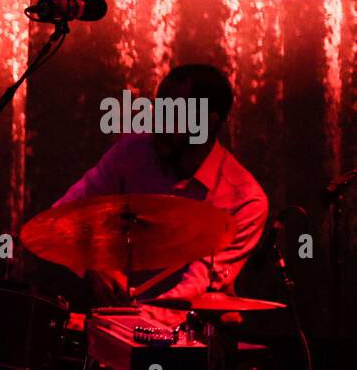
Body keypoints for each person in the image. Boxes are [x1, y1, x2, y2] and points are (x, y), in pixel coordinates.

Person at [56, 63, 268, 309]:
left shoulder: (244, 200)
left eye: (174, 113)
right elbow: (63, 215)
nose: (159, 122)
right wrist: (92, 262)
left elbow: (194, 291)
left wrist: (136, 322)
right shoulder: (133, 152)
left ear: (209, 122)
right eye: (159, 109)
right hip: (113, 323)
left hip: (191, 341)